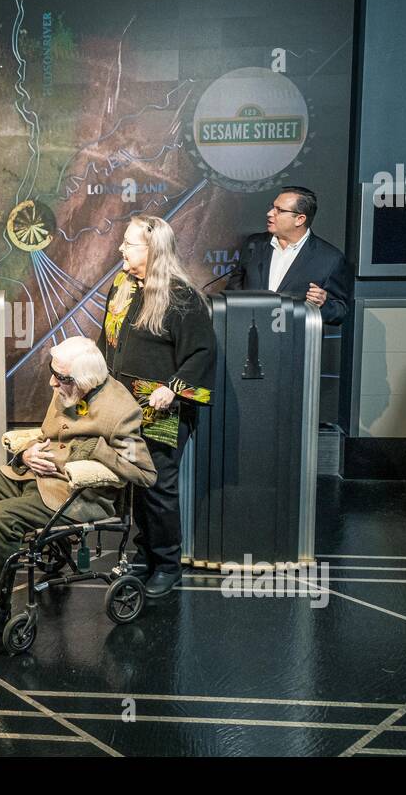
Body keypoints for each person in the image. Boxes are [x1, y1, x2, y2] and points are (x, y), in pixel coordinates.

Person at [0, 336, 156, 630]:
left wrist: (93, 450)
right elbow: (47, 436)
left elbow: (144, 472)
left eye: (59, 378)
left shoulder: (120, 411)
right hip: (37, 476)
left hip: (72, 497)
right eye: (53, 372)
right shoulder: (66, 389)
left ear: (83, 380)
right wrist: (25, 454)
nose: (51, 383)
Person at [98, 215, 215, 599]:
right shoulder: (122, 286)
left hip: (162, 410)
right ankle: (146, 553)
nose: (121, 248)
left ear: (152, 250)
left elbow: (201, 353)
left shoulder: (181, 297)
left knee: (158, 486)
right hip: (123, 406)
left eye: (129, 243)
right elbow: (107, 343)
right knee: (135, 483)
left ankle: (167, 564)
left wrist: (173, 389)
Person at [225, 186, 352, 325]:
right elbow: (233, 293)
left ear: (300, 219)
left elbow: (340, 313)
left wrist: (323, 304)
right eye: (272, 207)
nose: (269, 213)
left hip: (295, 341)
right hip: (249, 335)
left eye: (279, 210)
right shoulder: (254, 244)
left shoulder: (329, 259)